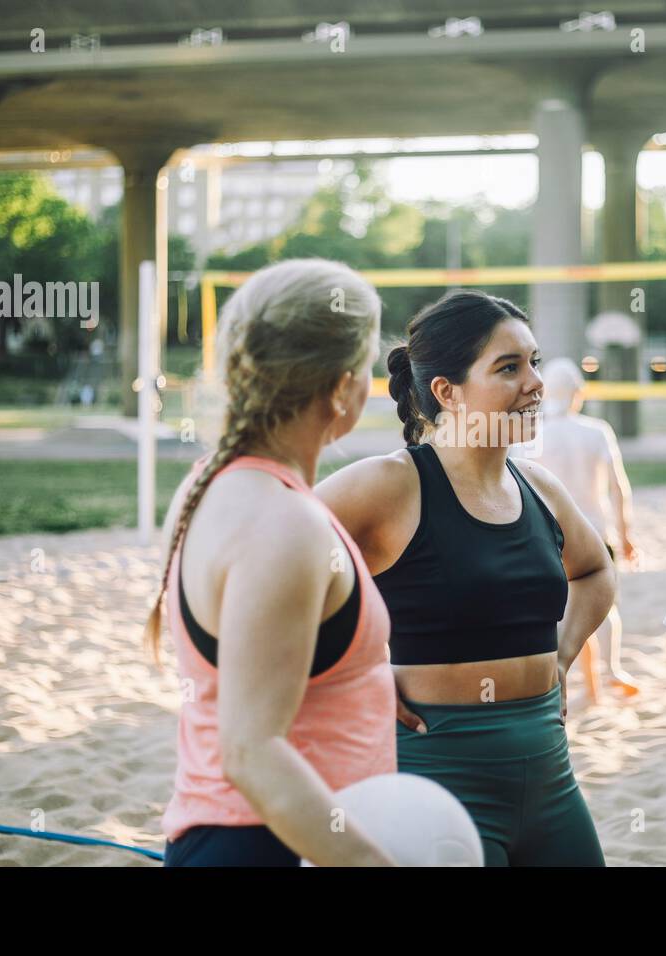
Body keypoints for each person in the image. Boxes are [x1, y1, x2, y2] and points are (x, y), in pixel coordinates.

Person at [316, 289, 615, 866]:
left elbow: (596, 568)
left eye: (533, 361)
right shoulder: (390, 485)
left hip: (551, 773)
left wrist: (563, 653)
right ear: (447, 392)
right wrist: (349, 675)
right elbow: (266, 564)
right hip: (438, 774)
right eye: (509, 367)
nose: (534, 382)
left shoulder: (540, 488)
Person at [149, 259, 397, 867]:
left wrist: (371, 682)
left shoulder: (213, 483)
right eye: (368, 366)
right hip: (271, 845)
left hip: (253, 836)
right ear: (341, 386)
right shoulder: (284, 525)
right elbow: (252, 751)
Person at [513, 357, 640, 702]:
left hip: (549, 535)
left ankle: (589, 687)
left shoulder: (531, 435)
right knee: (602, 606)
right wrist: (626, 537)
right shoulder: (597, 431)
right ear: (577, 394)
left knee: (564, 611)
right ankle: (609, 672)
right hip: (596, 532)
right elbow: (618, 489)